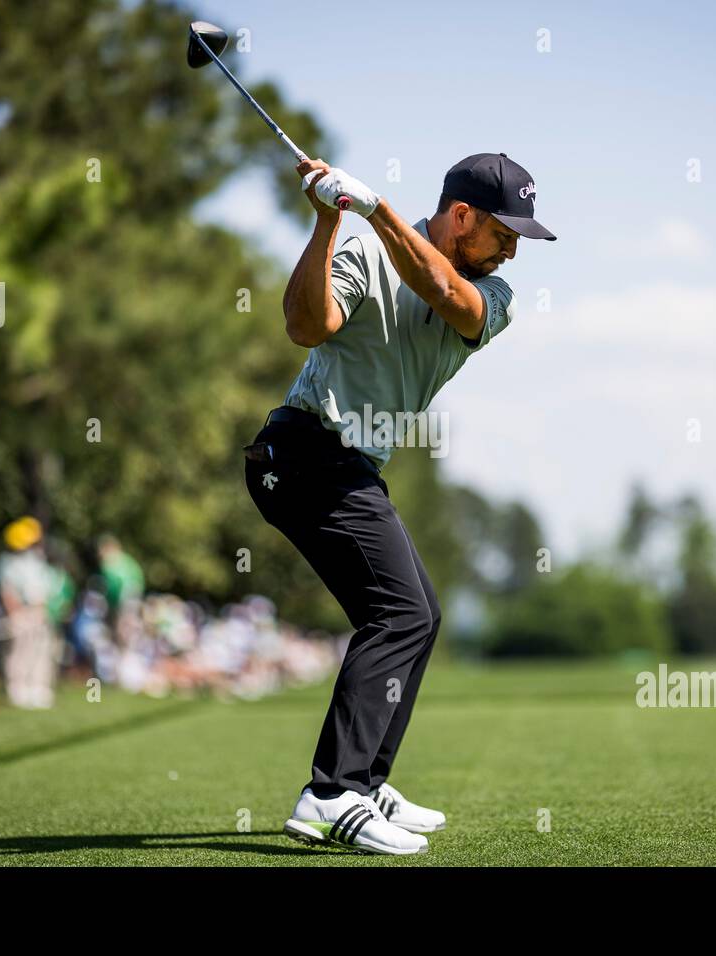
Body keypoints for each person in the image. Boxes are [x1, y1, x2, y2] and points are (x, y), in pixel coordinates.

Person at [243, 152, 555, 854]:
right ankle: (331, 793)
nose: (512, 251)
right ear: (462, 216)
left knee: (422, 614)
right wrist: (327, 223)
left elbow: (448, 294)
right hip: (301, 456)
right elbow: (305, 327)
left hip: (348, 467)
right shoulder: (364, 250)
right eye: (504, 233)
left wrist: (376, 208)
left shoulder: (492, 297)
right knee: (399, 613)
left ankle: (367, 780)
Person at [0, 517, 60, 709]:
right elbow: (7, 592)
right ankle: (18, 689)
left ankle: (39, 689)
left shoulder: (37, 560)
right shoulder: (7, 562)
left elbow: (45, 589)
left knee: (41, 652)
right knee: (20, 653)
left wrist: (43, 610)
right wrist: (16, 612)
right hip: (21, 613)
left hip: (39, 613)